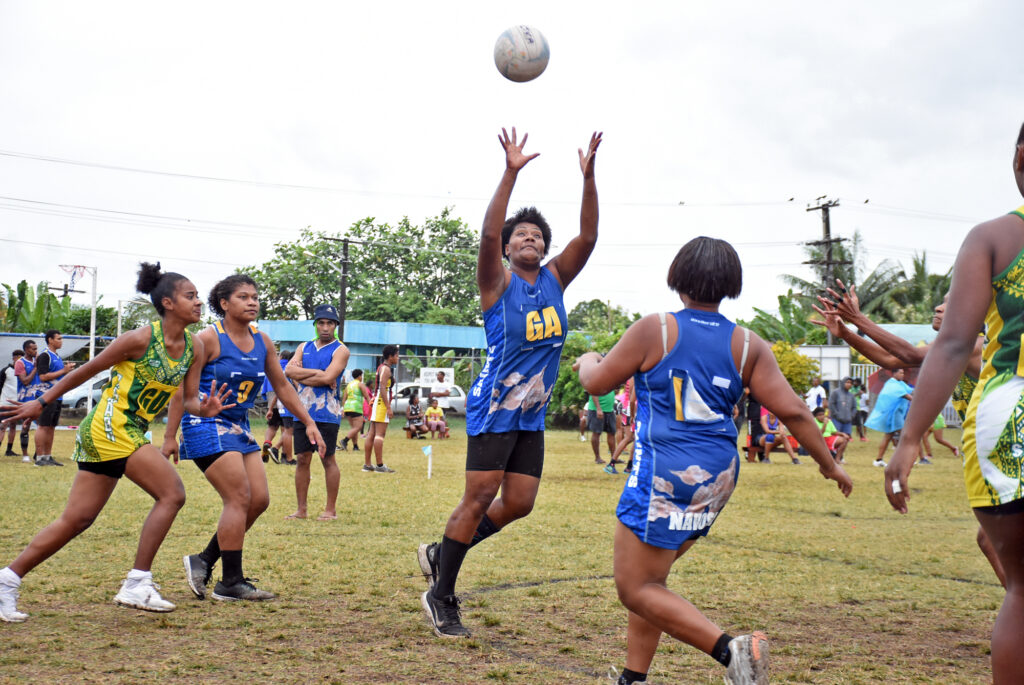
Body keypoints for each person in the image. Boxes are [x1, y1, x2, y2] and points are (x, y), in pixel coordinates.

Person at [573, 236, 851, 685]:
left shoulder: (655, 329)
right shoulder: (747, 344)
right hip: (718, 475)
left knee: (636, 587)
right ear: (730, 285)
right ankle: (633, 678)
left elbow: (597, 381)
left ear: (678, 277)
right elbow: (795, 411)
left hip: (665, 472)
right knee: (653, 581)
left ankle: (732, 652)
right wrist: (829, 464)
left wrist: (588, 358)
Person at [417, 127, 602, 639]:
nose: (530, 238)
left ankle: (441, 553)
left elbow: (587, 237)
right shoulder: (495, 281)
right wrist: (510, 172)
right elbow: (486, 235)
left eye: (538, 235)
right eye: (520, 233)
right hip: (495, 407)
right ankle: (441, 594)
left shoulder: (555, 279)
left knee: (519, 503)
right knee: (477, 497)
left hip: (532, 412)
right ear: (507, 245)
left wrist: (588, 179)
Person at [0, 262, 231, 622]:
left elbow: (185, 399)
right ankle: (137, 583)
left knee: (77, 519)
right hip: (110, 426)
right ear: (168, 303)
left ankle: (7, 580)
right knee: (172, 494)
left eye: (198, 296)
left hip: (128, 430)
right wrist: (40, 402)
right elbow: (84, 371)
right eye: (191, 296)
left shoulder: (194, 347)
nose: (199, 302)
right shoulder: (139, 339)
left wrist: (204, 407)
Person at [883, 122, 1024, 683]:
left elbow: (954, 342)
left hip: (1008, 417)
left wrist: (910, 439)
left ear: (1019, 156)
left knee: (1021, 588)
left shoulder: (994, 238)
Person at [813, 287, 1002, 584]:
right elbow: (892, 361)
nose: (938, 308)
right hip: (993, 449)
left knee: (992, 538)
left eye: (947, 304)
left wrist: (858, 320)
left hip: (1009, 447)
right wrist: (847, 333)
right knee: (990, 539)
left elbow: (908, 354)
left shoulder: (975, 343)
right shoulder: (955, 348)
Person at [163, 275, 326, 602]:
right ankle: (230, 582)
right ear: (224, 304)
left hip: (238, 427)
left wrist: (307, 421)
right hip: (204, 423)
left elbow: (282, 385)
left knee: (259, 500)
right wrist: (169, 436)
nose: (252, 302)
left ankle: (205, 560)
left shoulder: (263, 341)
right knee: (239, 497)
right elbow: (184, 393)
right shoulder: (206, 340)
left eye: (254, 296)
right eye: (243, 297)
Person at [284, 304, 349, 520]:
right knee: (302, 458)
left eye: (330, 323)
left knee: (327, 458)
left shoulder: (341, 350)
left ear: (336, 326)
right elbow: (289, 370)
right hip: (302, 411)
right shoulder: (304, 347)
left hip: (327, 413)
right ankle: (301, 510)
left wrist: (307, 375)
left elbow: (329, 378)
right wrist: (318, 372)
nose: (325, 327)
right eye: (321, 323)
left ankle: (330, 510)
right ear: (315, 325)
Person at [32, 329, 77, 467]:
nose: (61, 341)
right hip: (46, 396)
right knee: (42, 426)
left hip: (57, 396)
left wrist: (67, 371)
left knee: (51, 427)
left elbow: (58, 375)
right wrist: (63, 371)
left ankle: (47, 456)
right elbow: (43, 376)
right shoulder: (45, 356)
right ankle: (39, 459)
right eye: (58, 338)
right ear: (50, 340)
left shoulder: (56, 356)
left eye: (61, 338)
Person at [864, 369, 913, 467]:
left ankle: (878, 460)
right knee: (908, 436)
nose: (902, 375)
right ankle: (909, 459)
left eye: (903, 373)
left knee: (888, 437)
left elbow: (912, 391)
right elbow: (908, 396)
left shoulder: (899, 384)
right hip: (894, 415)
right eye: (900, 373)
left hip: (894, 415)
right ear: (894, 373)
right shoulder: (893, 385)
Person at [363, 345, 399, 473]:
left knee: (372, 434)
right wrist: (388, 407)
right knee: (379, 434)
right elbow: (383, 388)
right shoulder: (386, 369)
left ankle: (367, 465)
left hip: (377, 402)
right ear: (390, 356)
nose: (398, 358)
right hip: (381, 403)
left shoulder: (382, 367)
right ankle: (379, 465)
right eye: (396, 355)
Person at [14, 340, 41, 463]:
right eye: (33, 349)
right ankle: (25, 455)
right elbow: (25, 381)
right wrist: (35, 368)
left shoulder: (38, 361)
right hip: (25, 398)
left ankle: (39, 453)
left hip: (39, 397)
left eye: (36, 349)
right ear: (26, 350)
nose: (35, 351)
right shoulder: (20, 363)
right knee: (26, 426)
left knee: (42, 425)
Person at [340, 368, 372, 452]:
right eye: (361, 375)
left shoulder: (349, 385)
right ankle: (344, 441)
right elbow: (366, 396)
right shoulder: (360, 384)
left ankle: (355, 446)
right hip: (356, 407)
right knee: (358, 427)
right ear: (359, 376)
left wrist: (343, 409)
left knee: (354, 428)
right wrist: (371, 405)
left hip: (348, 407)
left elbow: (344, 398)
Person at [1, 350, 23, 457]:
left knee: (13, 426)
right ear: (13, 358)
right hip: (5, 403)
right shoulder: (6, 371)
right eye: (18, 358)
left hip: (17, 404)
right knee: (2, 426)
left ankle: (9, 450)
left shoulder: (24, 372)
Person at [587, 388, 616, 465]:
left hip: (609, 409)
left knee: (611, 433)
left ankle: (614, 457)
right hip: (596, 410)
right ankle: (597, 457)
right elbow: (593, 391)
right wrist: (598, 408)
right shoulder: (597, 376)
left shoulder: (611, 378)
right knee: (596, 433)